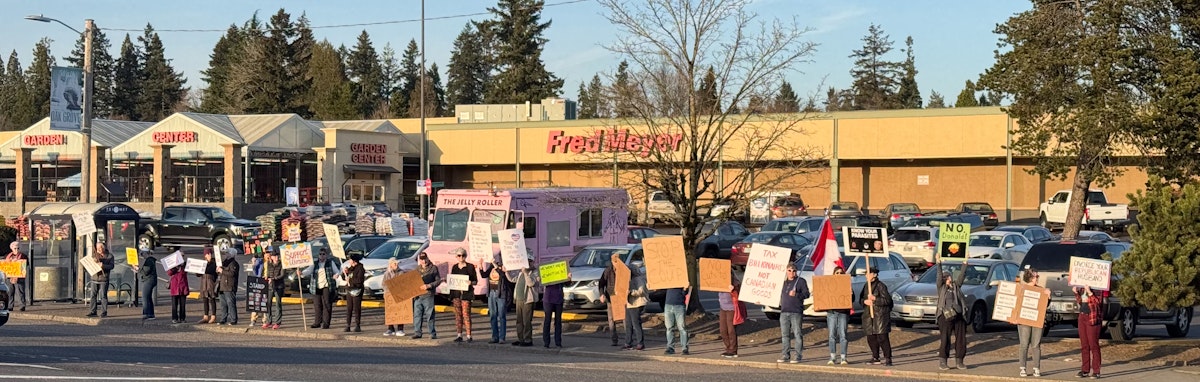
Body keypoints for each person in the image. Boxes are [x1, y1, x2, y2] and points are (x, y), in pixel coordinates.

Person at [860, 267, 894, 366]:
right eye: (865, 273)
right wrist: (864, 301)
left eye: (868, 273)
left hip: (880, 316)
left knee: (882, 337)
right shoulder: (866, 285)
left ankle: (888, 358)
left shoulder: (881, 286)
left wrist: (875, 299)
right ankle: (875, 357)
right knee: (871, 338)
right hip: (868, 315)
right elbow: (861, 299)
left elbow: (888, 301)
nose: (866, 275)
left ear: (874, 275)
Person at [936, 270, 968, 370]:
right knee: (945, 339)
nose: (948, 279)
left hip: (958, 314)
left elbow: (961, 277)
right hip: (945, 315)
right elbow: (939, 276)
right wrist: (938, 263)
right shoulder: (941, 288)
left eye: (949, 277)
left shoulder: (956, 286)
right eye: (946, 277)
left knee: (961, 339)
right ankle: (943, 362)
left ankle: (959, 361)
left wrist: (965, 263)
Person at [778, 264, 810, 363]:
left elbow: (806, 294)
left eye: (794, 271)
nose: (792, 273)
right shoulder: (783, 283)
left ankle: (798, 355)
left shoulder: (800, 281)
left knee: (797, 334)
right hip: (784, 312)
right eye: (789, 270)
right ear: (786, 271)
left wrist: (797, 294)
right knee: (785, 335)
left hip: (796, 312)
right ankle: (785, 355)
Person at [1016, 268, 1043, 378]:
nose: (1037, 278)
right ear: (1030, 277)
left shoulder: (1041, 290)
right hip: (1024, 320)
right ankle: (1022, 368)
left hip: (1037, 320)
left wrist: (1048, 296)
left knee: (1036, 344)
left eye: (1037, 276)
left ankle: (1036, 368)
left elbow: (1044, 305)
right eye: (1035, 276)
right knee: (1024, 344)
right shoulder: (1022, 289)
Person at [448, 248, 478, 343]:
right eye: (459, 255)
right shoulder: (455, 267)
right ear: (456, 257)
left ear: (465, 256)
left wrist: (470, 283)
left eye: (463, 255)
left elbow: (475, 281)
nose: (461, 257)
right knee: (458, 315)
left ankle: (469, 335)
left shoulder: (470, 267)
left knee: (466, 315)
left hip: (466, 294)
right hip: (456, 294)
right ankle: (459, 335)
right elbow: (452, 280)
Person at [305, 248, 339, 329]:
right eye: (320, 254)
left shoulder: (330, 263)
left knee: (326, 304)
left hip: (326, 286)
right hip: (316, 286)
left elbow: (337, 271)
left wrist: (336, 275)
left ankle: (326, 323)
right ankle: (317, 322)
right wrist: (301, 273)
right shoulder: (315, 263)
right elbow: (308, 271)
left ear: (326, 255)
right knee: (317, 305)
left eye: (323, 254)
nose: (322, 255)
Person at [507, 259, 538, 347]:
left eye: (530, 262)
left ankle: (528, 339)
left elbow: (530, 283)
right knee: (519, 320)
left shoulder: (534, 273)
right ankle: (520, 338)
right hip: (519, 299)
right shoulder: (521, 273)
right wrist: (507, 273)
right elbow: (513, 280)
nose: (528, 264)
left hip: (527, 300)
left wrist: (525, 273)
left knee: (526, 320)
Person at [1075, 284, 1104, 378]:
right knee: (1084, 345)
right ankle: (1085, 370)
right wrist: (1076, 293)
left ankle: (1096, 371)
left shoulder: (1098, 288)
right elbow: (1081, 302)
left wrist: (1090, 293)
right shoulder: (1082, 288)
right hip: (1082, 316)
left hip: (1092, 318)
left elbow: (1098, 302)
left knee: (1093, 344)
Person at [412, 252, 443, 339]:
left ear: (427, 258)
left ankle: (432, 333)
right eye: (421, 259)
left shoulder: (433, 268)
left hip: (428, 295)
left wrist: (429, 285)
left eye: (425, 259)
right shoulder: (417, 269)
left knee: (430, 315)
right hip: (418, 296)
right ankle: (417, 332)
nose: (423, 261)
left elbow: (438, 281)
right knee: (417, 315)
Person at [483, 258, 513, 344]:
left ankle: (502, 337)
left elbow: (502, 275)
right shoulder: (492, 266)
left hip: (500, 293)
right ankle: (494, 336)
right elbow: (484, 275)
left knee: (502, 316)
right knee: (493, 315)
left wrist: (496, 265)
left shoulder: (504, 266)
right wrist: (481, 267)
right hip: (491, 292)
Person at [826, 266, 851, 365]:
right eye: (837, 273)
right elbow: (824, 296)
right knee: (832, 335)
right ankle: (832, 357)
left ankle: (843, 357)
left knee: (843, 335)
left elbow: (851, 300)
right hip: (832, 312)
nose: (839, 275)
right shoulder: (829, 285)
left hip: (843, 312)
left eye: (841, 273)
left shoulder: (847, 285)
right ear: (834, 274)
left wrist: (850, 294)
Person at [86, 241, 115, 318]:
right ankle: (93, 311)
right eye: (98, 248)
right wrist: (94, 261)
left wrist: (103, 265)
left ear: (103, 248)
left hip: (103, 279)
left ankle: (104, 312)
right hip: (95, 278)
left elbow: (111, 266)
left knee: (103, 296)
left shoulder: (110, 256)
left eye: (100, 248)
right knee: (93, 295)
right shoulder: (95, 255)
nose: (99, 249)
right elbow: (91, 262)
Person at [623, 265, 648, 351]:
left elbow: (642, 291)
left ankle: (640, 343)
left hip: (636, 304)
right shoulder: (628, 280)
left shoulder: (638, 279)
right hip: (630, 303)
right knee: (628, 324)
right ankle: (628, 342)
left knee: (636, 323)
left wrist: (631, 292)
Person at [718, 281, 744, 358]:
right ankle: (728, 348)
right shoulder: (719, 281)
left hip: (731, 308)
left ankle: (733, 350)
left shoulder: (734, 282)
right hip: (723, 308)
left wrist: (734, 288)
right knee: (723, 330)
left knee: (731, 330)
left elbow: (740, 291)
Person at [598, 259, 620, 346]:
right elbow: (601, 283)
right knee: (611, 319)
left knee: (625, 318)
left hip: (621, 297)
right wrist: (601, 294)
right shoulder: (608, 270)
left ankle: (628, 340)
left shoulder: (623, 270)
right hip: (610, 297)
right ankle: (614, 339)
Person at [662, 286, 690, 355]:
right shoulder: (669, 280)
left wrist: (685, 289)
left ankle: (684, 348)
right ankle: (670, 347)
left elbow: (685, 293)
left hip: (679, 305)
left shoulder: (682, 279)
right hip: (668, 305)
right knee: (669, 328)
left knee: (682, 327)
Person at [381, 258, 406, 336]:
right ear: (390, 264)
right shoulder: (386, 274)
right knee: (390, 312)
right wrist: (389, 290)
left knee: (400, 312)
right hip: (389, 295)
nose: (396, 265)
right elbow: (383, 284)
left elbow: (402, 283)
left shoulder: (401, 272)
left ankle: (400, 329)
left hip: (398, 294)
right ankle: (390, 329)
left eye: (397, 263)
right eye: (394, 263)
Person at [341, 253, 365, 332]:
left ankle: (357, 325)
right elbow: (346, 277)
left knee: (356, 308)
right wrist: (345, 272)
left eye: (350, 260)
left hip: (357, 290)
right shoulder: (351, 268)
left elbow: (359, 280)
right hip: (350, 290)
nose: (349, 261)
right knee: (349, 308)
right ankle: (348, 325)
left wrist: (350, 281)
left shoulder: (360, 268)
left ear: (354, 261)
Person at [542, 271, 566, 348]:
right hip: (548, 299)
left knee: (558, 321)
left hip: (558, 299)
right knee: (547, 321)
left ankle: (558, 342)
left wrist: (568, 278)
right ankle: (546, 342)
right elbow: (543, 282)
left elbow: (566, 283)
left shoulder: (561, 274)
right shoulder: (548, 274)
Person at [216, 248, 240, 325]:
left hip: (229, 286)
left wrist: (222, 271)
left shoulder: (234, 263)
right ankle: (223, 318)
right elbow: (221, 273)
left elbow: (232, 274)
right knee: (223, 304)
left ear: (232, 254)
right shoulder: (224, 263)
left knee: (231, 303)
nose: (226, 254)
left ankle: (233, 319)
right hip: (222, 286)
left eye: (227, 253)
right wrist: (218, 270)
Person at [136, 247, 159, 320]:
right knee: (148, 297)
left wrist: (138, 269)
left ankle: (146, 313)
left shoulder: (149, 261)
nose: (142, 255)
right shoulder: (151, 260)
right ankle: (151, 314)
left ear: (146, 253)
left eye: (142, 253)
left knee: (145, 297)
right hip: (151, 280)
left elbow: (146, 272)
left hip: (148, 280)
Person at [263, 252, 285, 329]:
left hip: (279, 286)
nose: (276, 257)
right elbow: (268, 273)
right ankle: (268, 321)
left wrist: (273, 278)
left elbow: (282, 275)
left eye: (277, 256)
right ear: (272, 257)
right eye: (274, 256)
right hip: (270, 286)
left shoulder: (281, 264)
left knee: (278, 304)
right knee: (268, 303)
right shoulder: (269, 264)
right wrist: (267, 277)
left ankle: (278, 322)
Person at [198, 246, 219, 324]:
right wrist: (197, 270)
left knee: (212, 300)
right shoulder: (203, 263)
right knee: (205, 300)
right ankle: (205, 316)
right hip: (204, 283)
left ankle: (213, 316)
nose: (209, 255)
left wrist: (205, 266)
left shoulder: (214, 263)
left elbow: (210, 270)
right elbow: (198, 274)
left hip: (211, 283)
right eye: (207, 254)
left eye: (209, 253)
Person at [5, 241, 27, 312]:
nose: (16, 250)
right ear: (11, 248)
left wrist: (18, 261)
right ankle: (10, 306)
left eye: (18, 248)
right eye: (15, 248)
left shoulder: (23, 256)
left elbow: (26, 264)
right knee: (10, 292)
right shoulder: (7, 256)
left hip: (19, 276)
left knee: (20, 291)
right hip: (10, 276)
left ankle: (22, 306)